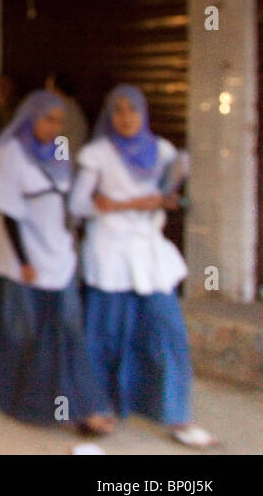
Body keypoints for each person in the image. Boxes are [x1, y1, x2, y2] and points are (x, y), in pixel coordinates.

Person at [69, 84, 215, 448]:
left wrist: (166, 199)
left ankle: (178, 415)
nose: (126, 117)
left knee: (167, 334)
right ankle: (95, 408)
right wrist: (125, 204)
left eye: (132, 110)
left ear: (143, 112)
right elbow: (76, 205)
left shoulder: (163, 151)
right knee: (103, 335)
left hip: (150, 258)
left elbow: (170, 197)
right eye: (118, 110)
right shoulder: (97, 154)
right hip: (110, 256)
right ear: (109, 115)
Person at [0, 90, 114, 435]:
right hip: (24, 254)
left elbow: (67, 198)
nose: (54, 126)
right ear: (31, 117)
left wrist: (71, 237)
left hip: (57, 252)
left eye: (60, 120)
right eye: (48, 119)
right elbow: (6, 210)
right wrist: (24, 260)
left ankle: (81, 406)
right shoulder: (11, 152)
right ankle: (27, 401)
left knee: (66, 327)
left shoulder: (59, 150)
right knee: (27, 332)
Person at [46, 71, 89, 156]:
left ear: (57, 90)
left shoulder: (67, 113)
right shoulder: (64, 108)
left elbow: (61, 153)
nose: (46, 93)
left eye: (49, 88)